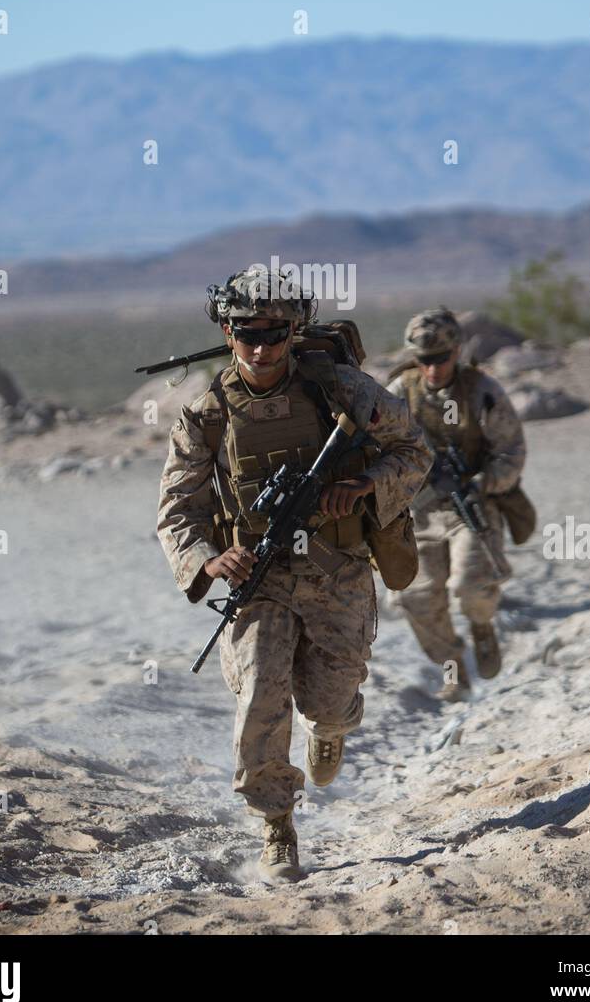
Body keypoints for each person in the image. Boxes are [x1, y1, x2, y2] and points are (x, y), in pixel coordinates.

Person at [157, 267, 430, 882]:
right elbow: (178, 513)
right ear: (228, 334)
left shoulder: (342, 391)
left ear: (294, 331)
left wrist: (365, 485)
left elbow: (414, 450)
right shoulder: (205, 417)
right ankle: (277, 828)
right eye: (247, 333)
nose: (261, 348)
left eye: (275, 334)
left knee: (328, 698)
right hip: (261, 579)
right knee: (259, 696)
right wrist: (206, 559)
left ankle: (331, 724)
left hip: (337, 572)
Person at [387, 307, 526, 701]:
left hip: (471, 505)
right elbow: (376, 443)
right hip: (418, 511)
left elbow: (512, 449)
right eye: (424, 361)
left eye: (441, 359)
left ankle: (482, 626)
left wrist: (484, 482)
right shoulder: (400, 393)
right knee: (415, 598)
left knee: (470, 586)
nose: (432, 370)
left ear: (458, 351)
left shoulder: (482, 391)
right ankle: (454, 670)